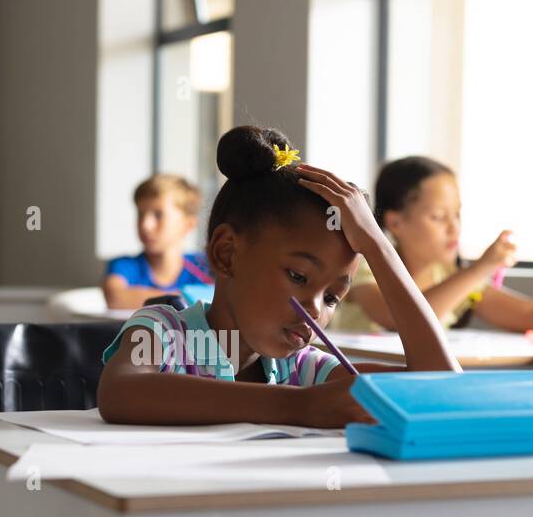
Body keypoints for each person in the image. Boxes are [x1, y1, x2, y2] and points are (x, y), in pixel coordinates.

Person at [98, 126, 458, 429]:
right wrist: (299, 407)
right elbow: (120, 392)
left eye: (332, 297)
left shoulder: (303, 369)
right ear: (227, 253)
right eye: (298, 276)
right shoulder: (165, 333)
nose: (315, 310)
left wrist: (379, 247)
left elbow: (443, 388)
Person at [332, 156, 533, 332]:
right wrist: (480, 269)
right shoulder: (365, 268)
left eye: (457, 214)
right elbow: (398, 317)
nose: (454, 227)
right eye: (439, 217)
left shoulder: (455, 282)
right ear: (396, 222)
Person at [102, 173, 212, 309]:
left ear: (188, 224)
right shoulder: (125, 266)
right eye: (140, 214)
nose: (145, 225)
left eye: (158, 215)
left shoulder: (205, 266)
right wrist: (189, 298)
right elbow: (115, 297)